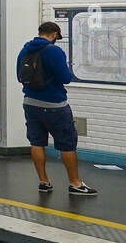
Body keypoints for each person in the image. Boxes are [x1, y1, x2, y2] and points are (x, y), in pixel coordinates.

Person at [16, 22, 96, 195]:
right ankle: (75, 183)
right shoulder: (53, 51)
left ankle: (43, 182)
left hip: (30, 103)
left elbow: (19, 76)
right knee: (67, 144)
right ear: (54, 34)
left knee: (36, 142)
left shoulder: (24, 50)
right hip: (54, 105)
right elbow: (65, 77)